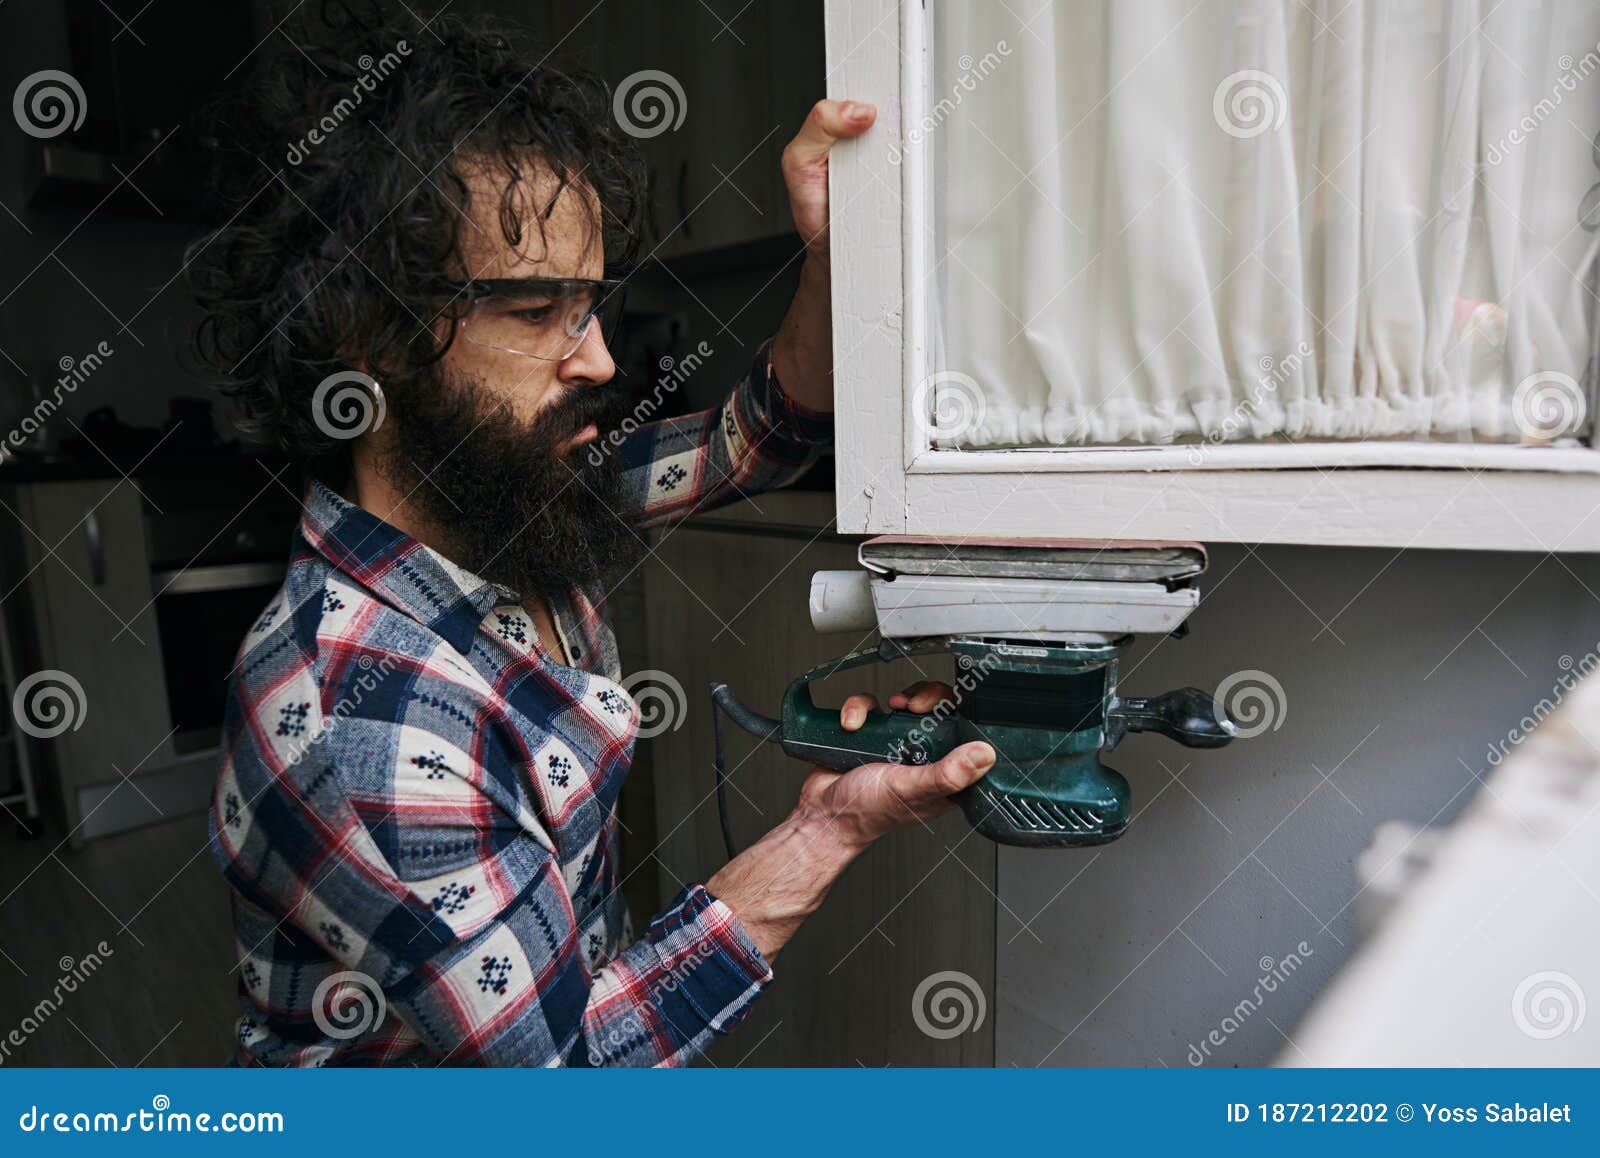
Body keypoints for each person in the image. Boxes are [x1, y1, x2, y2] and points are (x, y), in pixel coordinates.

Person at [196, 11, 993, 1066]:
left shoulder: (516, 493)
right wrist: (827, 832)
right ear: (368, 333)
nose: (603, 360)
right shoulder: (359, 716)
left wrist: (832, 259)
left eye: (592, 304)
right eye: (538, 311)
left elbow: (759, 432)